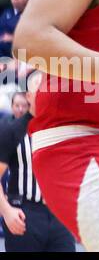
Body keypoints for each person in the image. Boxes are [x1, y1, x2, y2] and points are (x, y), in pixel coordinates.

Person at [0, 91, 76, 251]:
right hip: (25, 212)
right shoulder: (12, 130)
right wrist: (6, 211)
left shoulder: (65, 128)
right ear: (29, 96)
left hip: (59, 215)